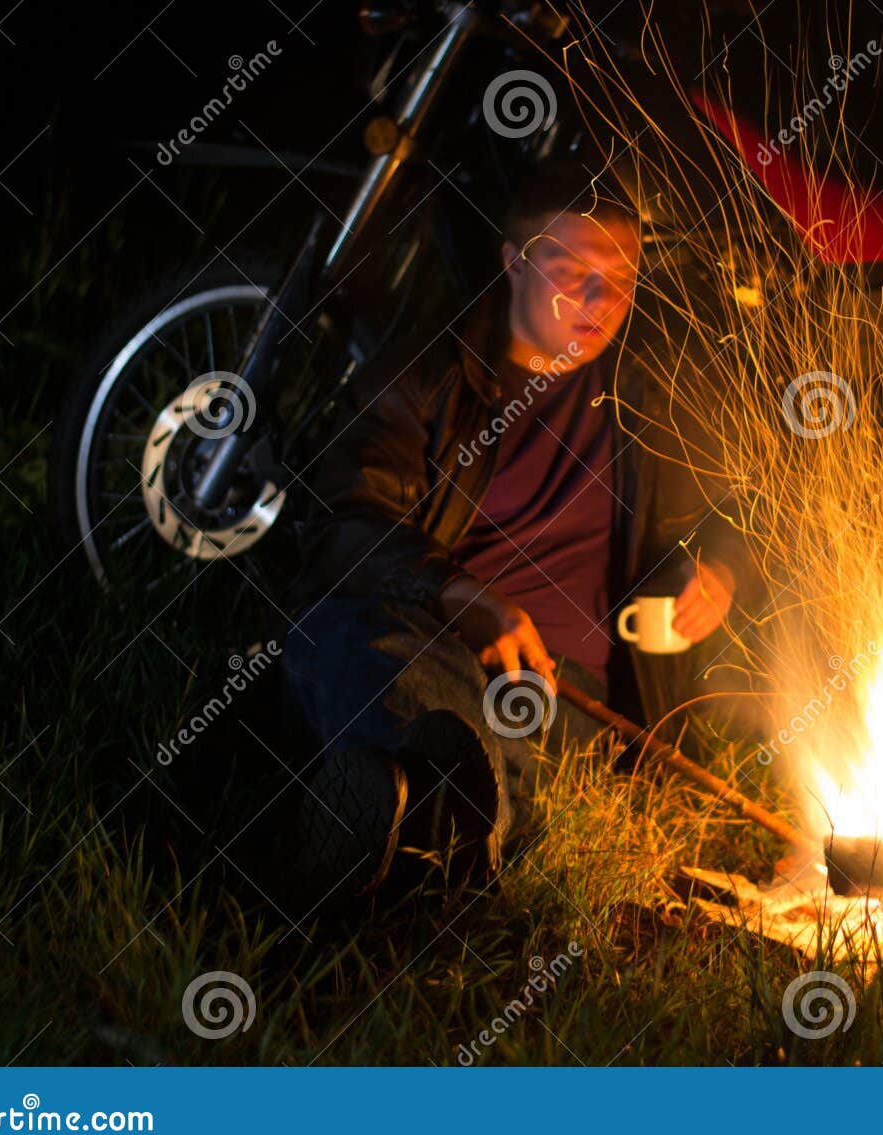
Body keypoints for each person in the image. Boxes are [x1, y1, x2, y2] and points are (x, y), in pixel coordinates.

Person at [281, 159, 746, 907]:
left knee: (502, 728)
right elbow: (346, 520)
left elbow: (732, 512)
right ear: (513, 262)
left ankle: (396, 829)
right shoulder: (427, 375)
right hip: (430, 635)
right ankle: (434, 844)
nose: (598, 299)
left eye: (620, 279)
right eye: (570, 270)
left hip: (567, 688)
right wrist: (461, 593)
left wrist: (717, 572)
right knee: (376, 651)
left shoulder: (650, 396)